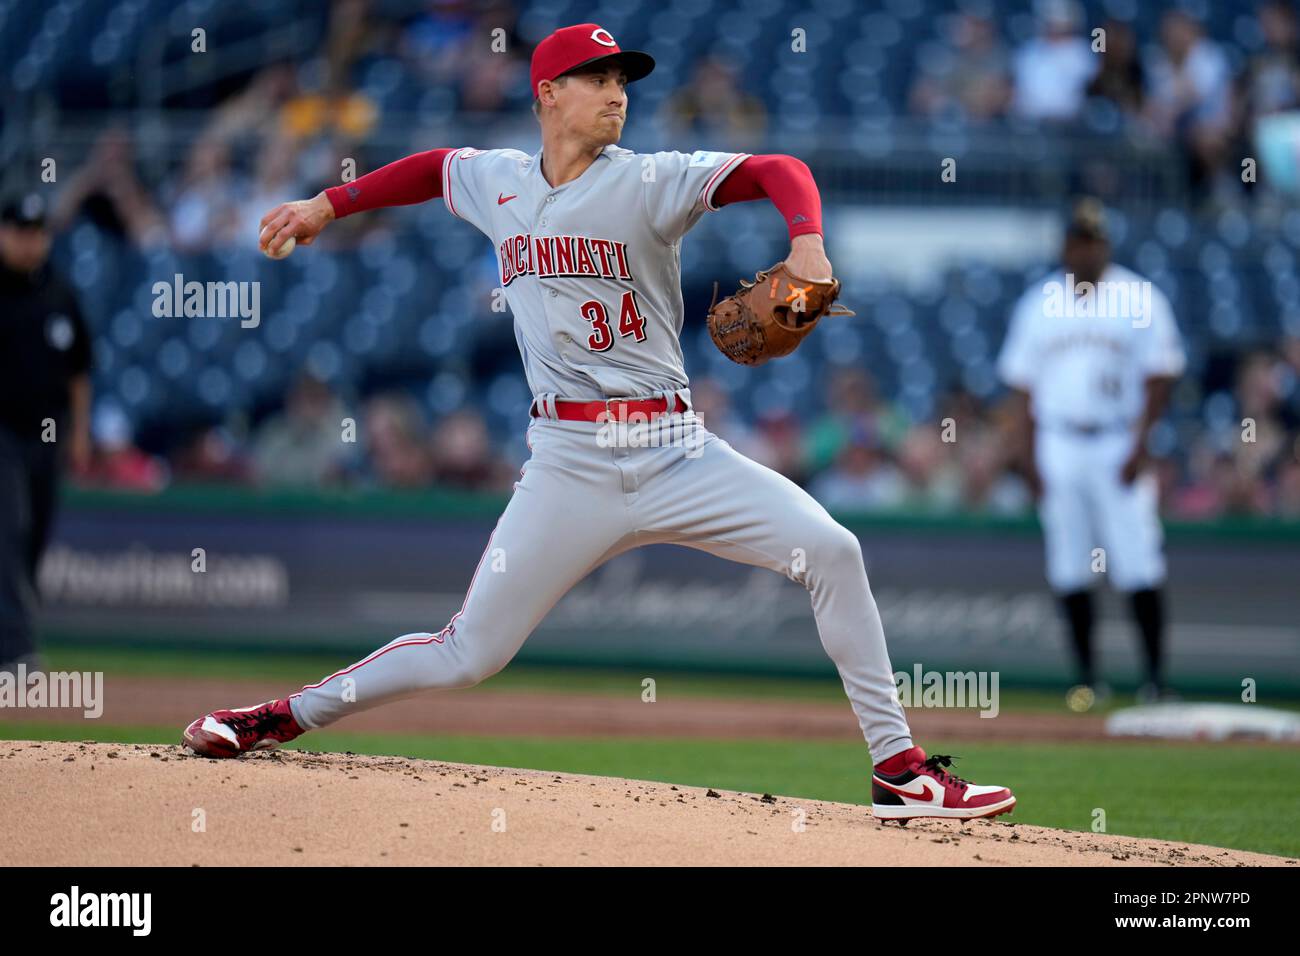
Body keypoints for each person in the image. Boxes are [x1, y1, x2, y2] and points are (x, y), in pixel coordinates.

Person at [182, 23, 1015, 824]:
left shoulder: (650, 179)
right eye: (599, 79)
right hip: (568, 463)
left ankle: (898, 771)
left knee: (834, 549)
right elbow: (434, 168)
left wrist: (808, 242)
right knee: (470, 653)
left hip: (676, 449)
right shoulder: (498, 178)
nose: (617, 94)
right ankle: (279, 717)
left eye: (624, 81)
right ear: (549, 93)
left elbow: (777, 165)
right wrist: (329, 203)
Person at [998, 199, 1186, 711]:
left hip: (1117, 439)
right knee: (1068, 563)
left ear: (1106, 246)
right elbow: (1022, 389)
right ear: (1066, 246)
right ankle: (1085, 681)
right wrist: (1029, 458)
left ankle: (1155, 679)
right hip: (1059, 441)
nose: (1087, 249)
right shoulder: (1039, 302)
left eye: (1095, 240)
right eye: (1080, 240)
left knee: (1138, 559)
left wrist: (1141, 444)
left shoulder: (1139, 296)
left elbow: (1161, 376)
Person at [0, 193, 93, 673]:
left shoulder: (59, 292)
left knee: (34, 533)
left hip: (47, 436)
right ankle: (14, 649)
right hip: (3, 433)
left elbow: (80, 372)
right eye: (20, 231)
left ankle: (12, 636)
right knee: (9, 530)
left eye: (37, 232)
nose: (29, 241)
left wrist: (79, 433)